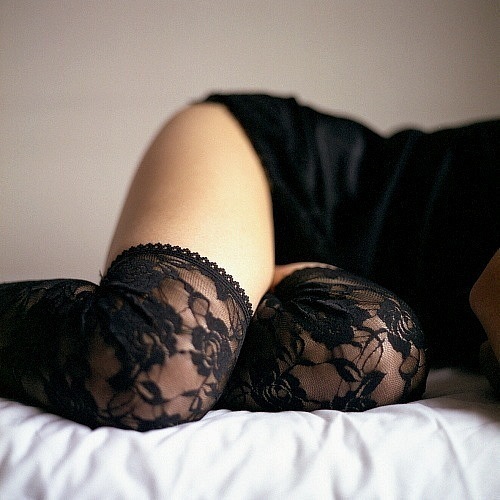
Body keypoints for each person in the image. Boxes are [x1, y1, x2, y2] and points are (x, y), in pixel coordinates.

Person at [0, 94, 498, 431]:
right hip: (285, 169)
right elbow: (491, 293)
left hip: (356, 298)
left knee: (377, 358)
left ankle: (259, 296)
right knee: (160, 353)